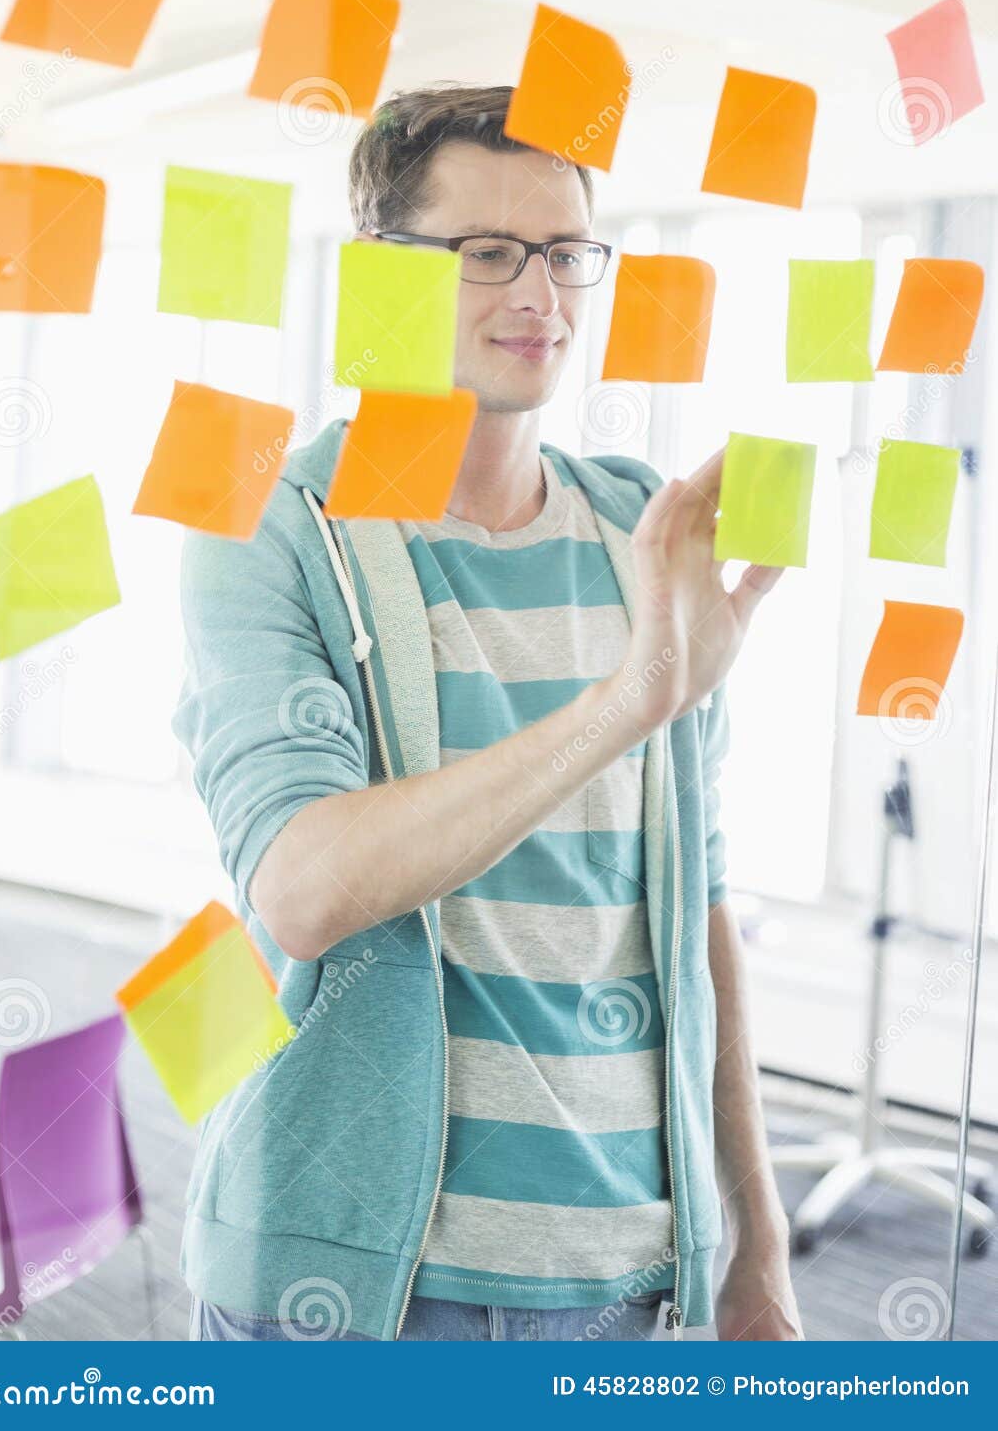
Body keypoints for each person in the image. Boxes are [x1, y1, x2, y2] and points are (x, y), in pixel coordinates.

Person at [174, 84, 803, 1343]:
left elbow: (701, 914)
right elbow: (303, 888)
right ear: (379, 279)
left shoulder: (638, 522)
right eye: (487, 255)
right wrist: (630, 702)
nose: (540, 298)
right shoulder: (275, 526)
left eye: (567, 255)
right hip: (358, 1294)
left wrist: (758, 1245)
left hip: (629, 1282)